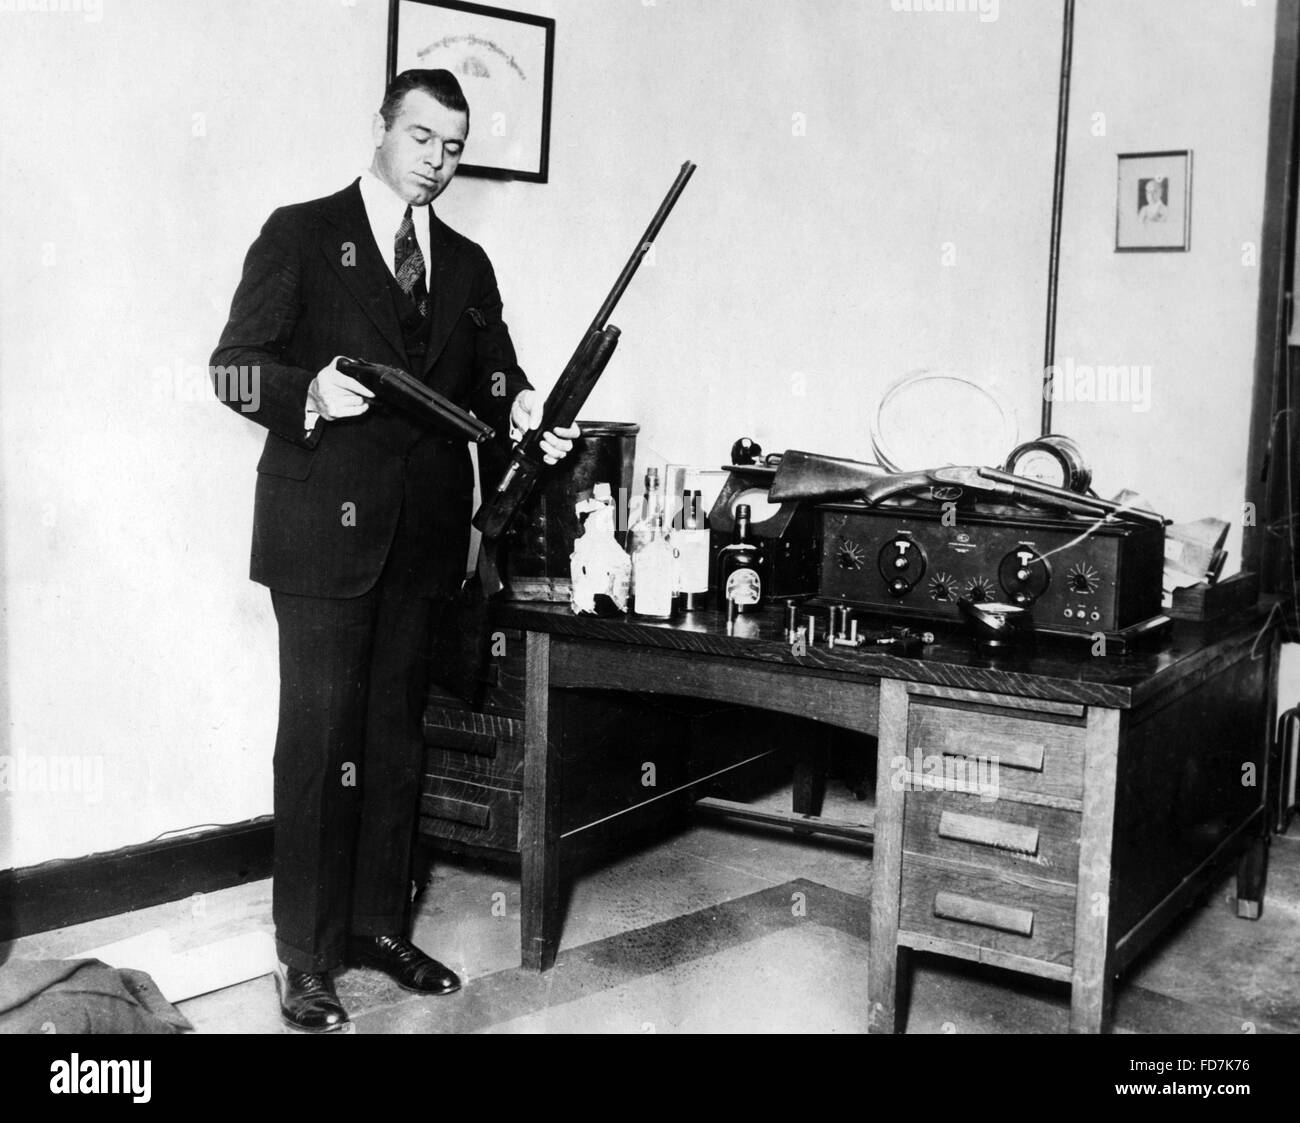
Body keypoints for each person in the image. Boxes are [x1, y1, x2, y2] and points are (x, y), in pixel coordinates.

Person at [210, 69, 578, 1032]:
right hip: (319, 540)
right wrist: (308, 397)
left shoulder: (466, 263)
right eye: (422, 140)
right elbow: (234, 367)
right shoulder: (299, 232)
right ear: (381, 129)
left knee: (394, 743)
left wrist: (529, 409)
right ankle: (306, 956)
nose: (438, 163)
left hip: (422, 543)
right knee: (318, 743)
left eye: (454, 149)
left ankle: (379, 925)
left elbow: (497, 384)